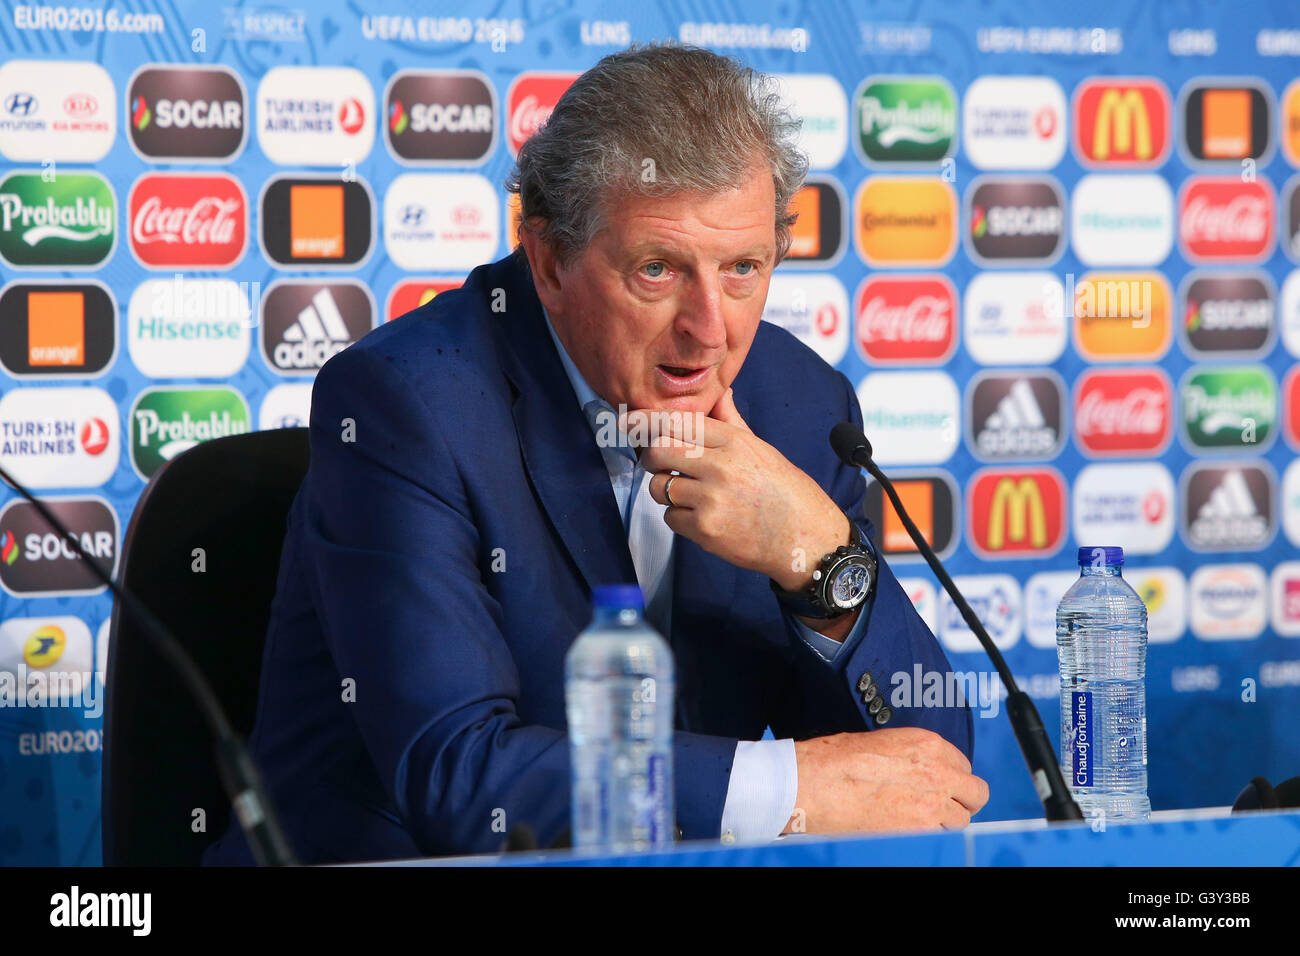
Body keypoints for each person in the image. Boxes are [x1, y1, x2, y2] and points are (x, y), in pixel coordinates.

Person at [203, 43, 986, 865]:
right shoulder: (408, 403)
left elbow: (930, 772)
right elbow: (458, 778)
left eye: (744, 269)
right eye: (657, 270)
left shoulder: (798, 402)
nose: (710, 330)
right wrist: (787, 792)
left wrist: (820, 558)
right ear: (547, 260)